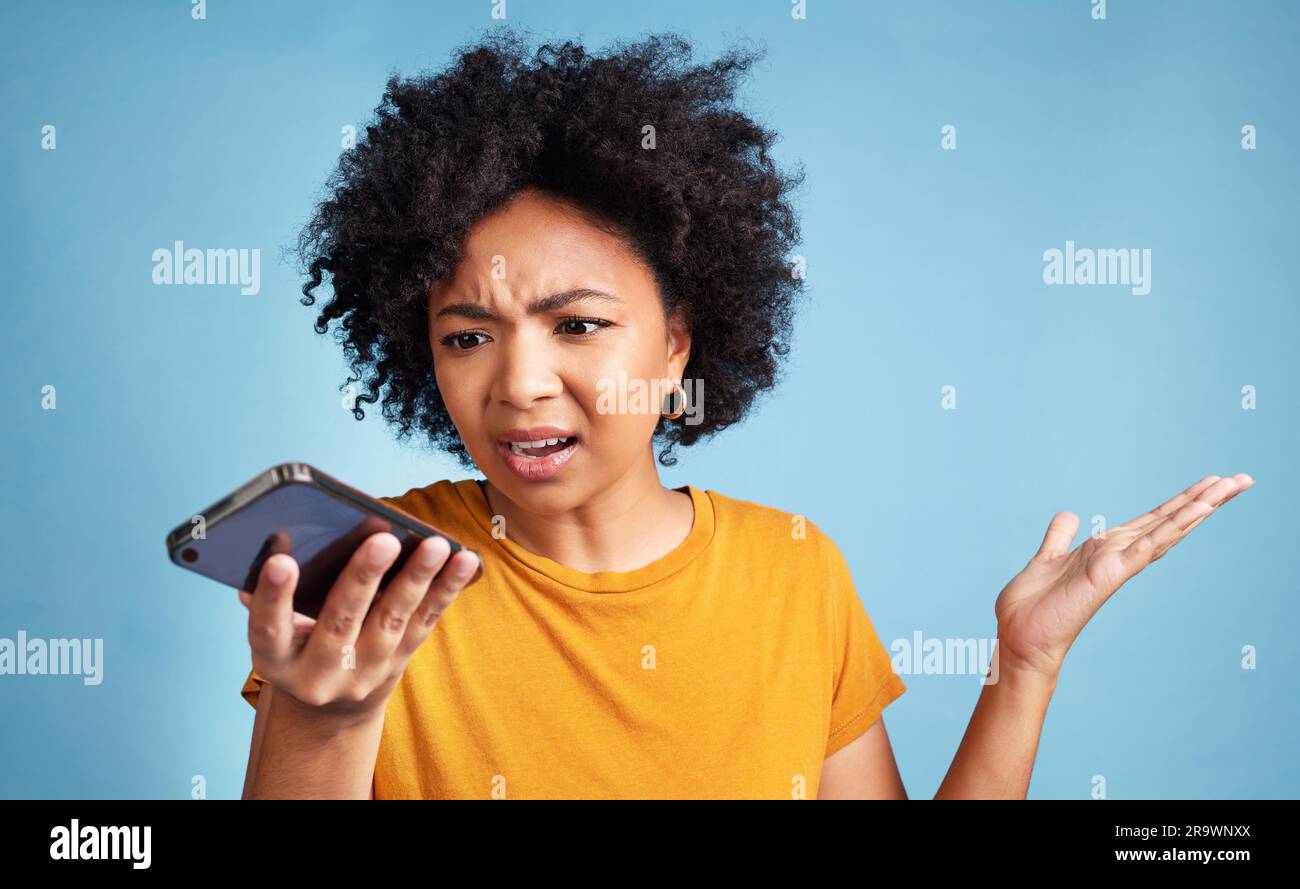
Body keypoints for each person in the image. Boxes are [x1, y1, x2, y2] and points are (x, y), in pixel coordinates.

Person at [236, 29, 1253, 799]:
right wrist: (329, 713)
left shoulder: (793, 571)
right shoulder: (379, 576)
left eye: (578, 325)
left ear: (678, 342)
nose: (517, 383)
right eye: (466, 336)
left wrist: (1022, 667)